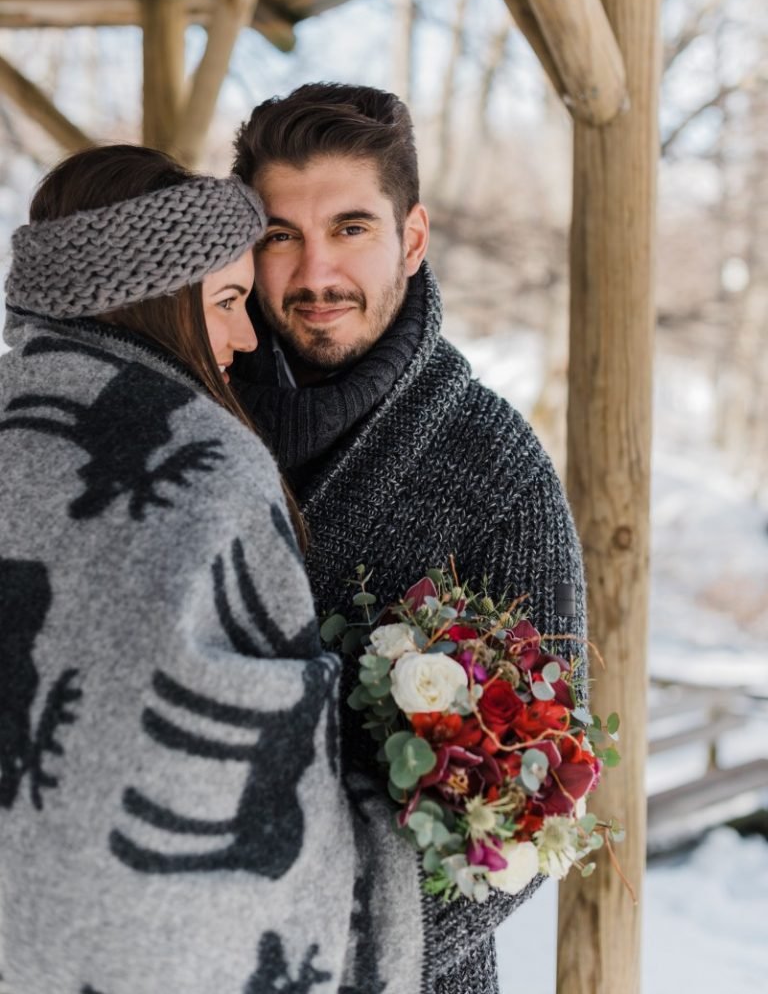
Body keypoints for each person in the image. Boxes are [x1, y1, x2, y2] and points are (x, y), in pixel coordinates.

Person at [0, 145, 427, 994]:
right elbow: (266, 782)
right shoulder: (207, 454)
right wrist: (388, 826)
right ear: (155, 302)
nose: (242, 336)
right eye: (227, 301)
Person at [231, 83, 589, 994]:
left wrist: (322, 970)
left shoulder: (497, 472)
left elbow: (531, 810)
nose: (315, 273)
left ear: (413, 237)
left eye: (351, 227)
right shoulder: (198, 431)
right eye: (282, 234)